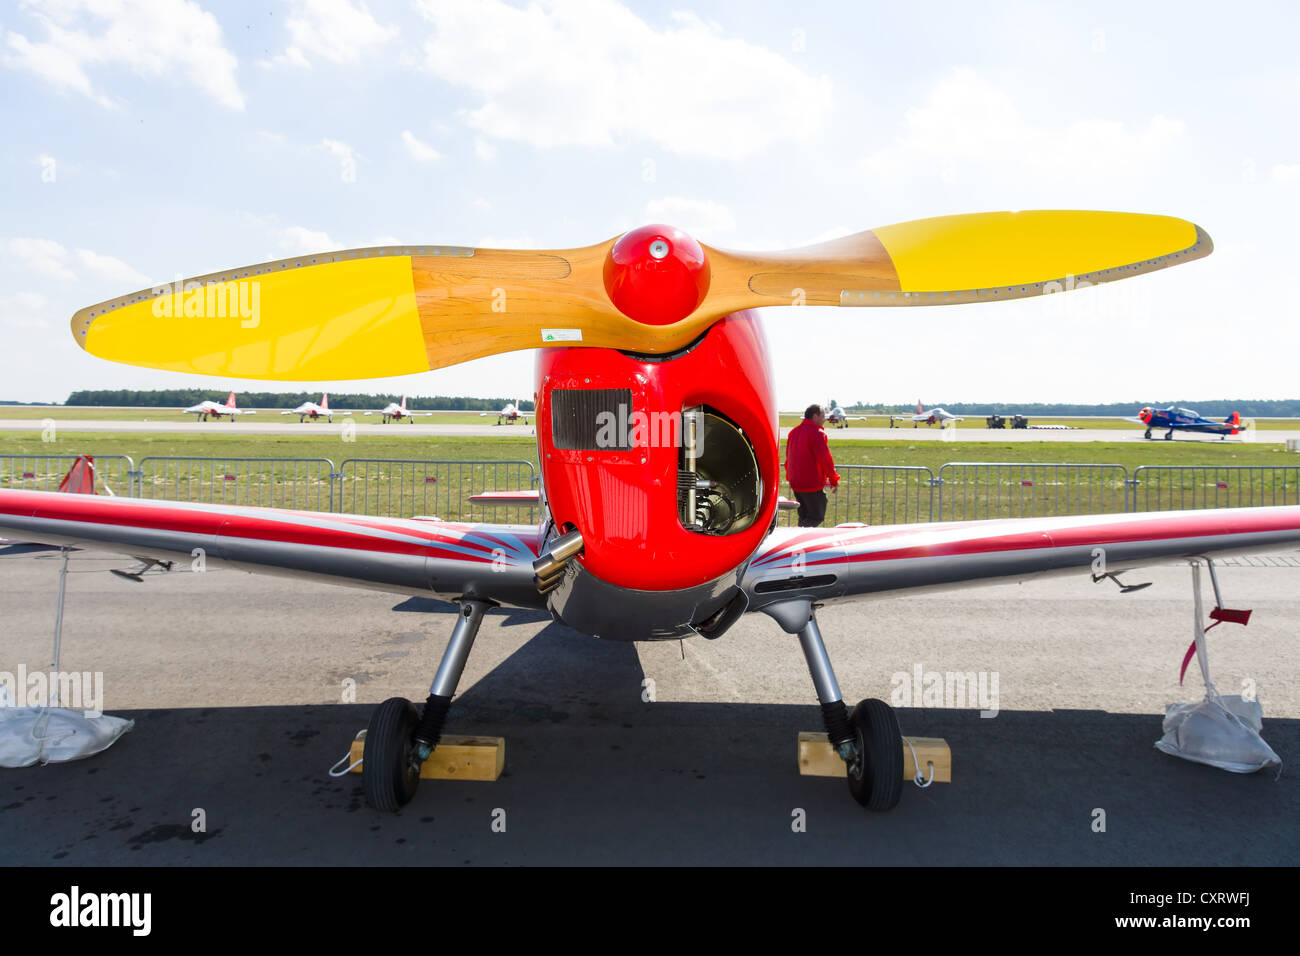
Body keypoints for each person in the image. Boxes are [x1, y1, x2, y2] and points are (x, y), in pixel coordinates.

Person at [784, 404, 840, 527]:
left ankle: (799, 538)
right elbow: (825, 459)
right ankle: (799, 539)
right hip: (811, 484)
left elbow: (788, 457)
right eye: (822, 416)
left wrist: (790, 477)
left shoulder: (793, 432)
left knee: (804, 516)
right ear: (815, 416)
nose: (824, 419)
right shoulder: (817, 433)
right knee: (816, 516)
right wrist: (833, 479)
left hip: (796, 483)